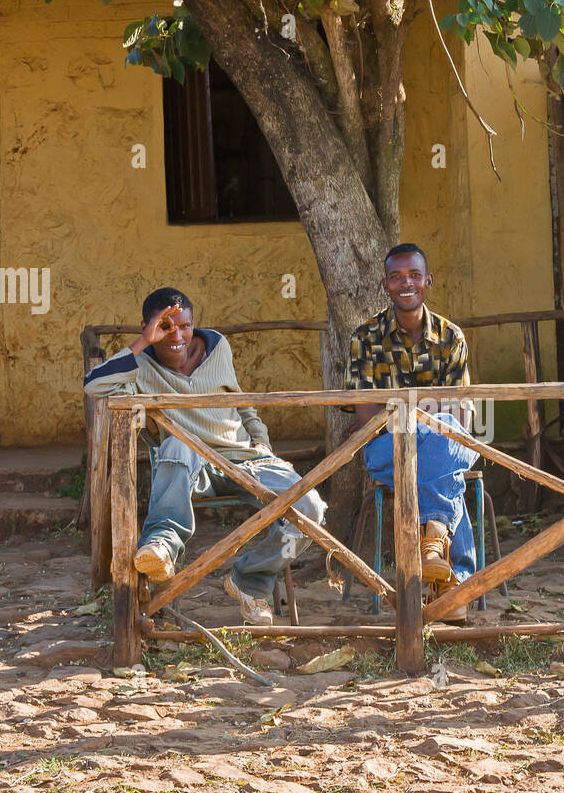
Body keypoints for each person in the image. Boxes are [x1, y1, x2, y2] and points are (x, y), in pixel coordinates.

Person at [84, 287, 326, 626]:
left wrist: (262, 443)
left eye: (184, 325)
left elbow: (239, 399)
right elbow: (94, 386)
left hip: (246, 459)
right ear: (147, 326)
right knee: (178, 444)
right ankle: (162, 546)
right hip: (188, 465)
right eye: (165, 327)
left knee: (310, 509)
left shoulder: (218, 347)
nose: (178, 336)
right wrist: (142, 343)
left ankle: (249, 581)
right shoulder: (137, 365)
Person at [343, 243, 479, 623]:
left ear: (428, 281)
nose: (406, 283)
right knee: (445, 469)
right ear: (385, 284)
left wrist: (406, 417)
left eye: (415, 275)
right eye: (397, 276)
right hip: (386, 451)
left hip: (447, 441)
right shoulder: (365, 339)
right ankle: (452, 581)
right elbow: (369, 418)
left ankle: (438, 553)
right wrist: (424, 421)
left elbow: (460, 421)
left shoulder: (452, 338)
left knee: (447, 442)